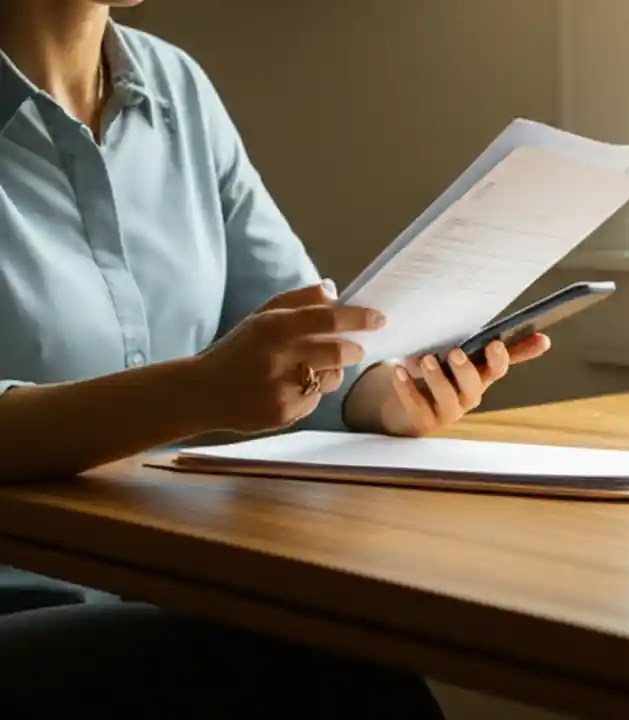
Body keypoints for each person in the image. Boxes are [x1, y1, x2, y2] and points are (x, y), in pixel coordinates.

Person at [0, 0, 550, 714]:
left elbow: (291, 337)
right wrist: (200, 391)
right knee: (342, 682)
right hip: (25, 600)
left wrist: (380, 396)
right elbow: (224, 380)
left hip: (171, 579)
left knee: (354, 671)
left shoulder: (175, 85)